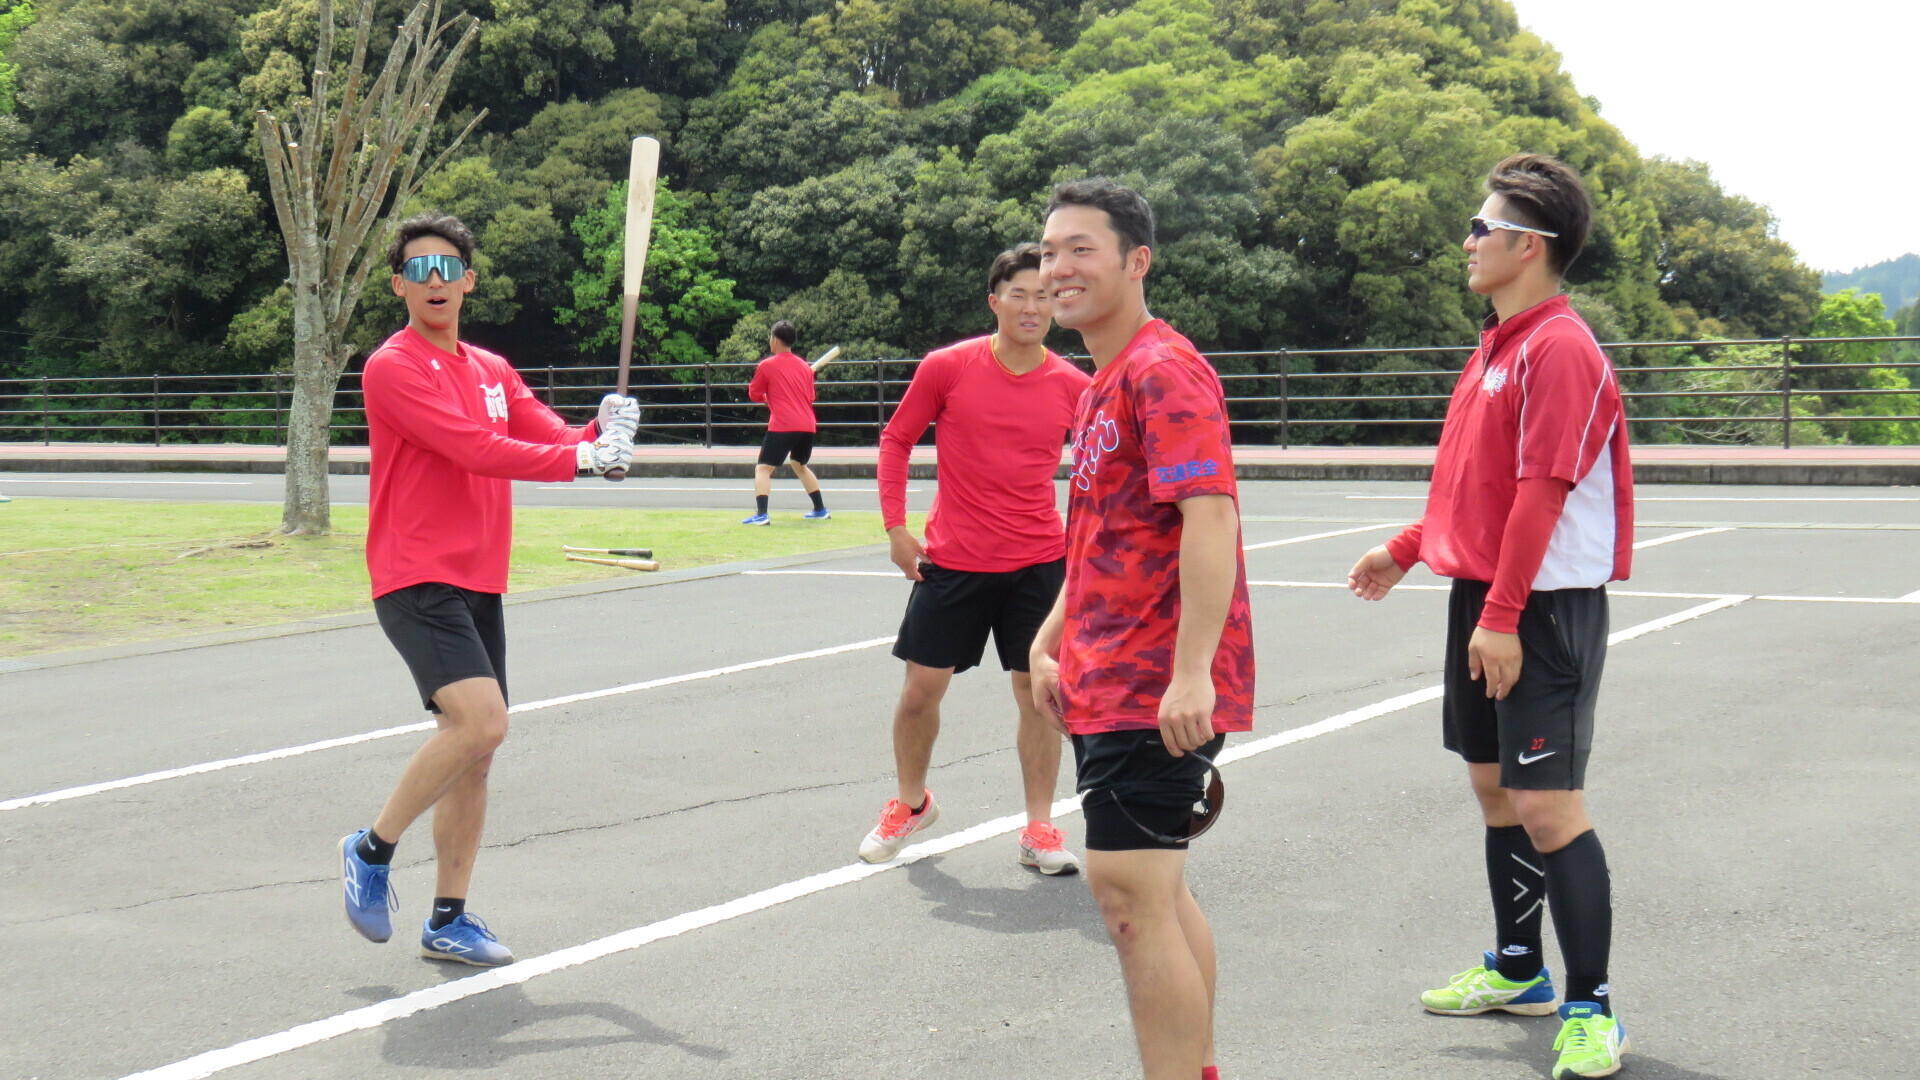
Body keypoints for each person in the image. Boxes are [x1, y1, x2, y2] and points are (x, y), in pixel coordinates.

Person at [1346, 153, 1634, 1079]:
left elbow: (1542, 494)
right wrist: (1408, 545)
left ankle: (1591, 1006)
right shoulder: (1495, 346)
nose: (1467, 241)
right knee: (1494, 790)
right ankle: (1521, 968)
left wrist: (1503, 614)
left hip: (1539, 608)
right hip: (1486, 598)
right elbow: (1472, 485)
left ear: (1528, 243)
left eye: (1481, 227)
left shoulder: (1560, 348)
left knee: (1548, 806)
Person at [338, 212, 638, 967]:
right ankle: (371, 851)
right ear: (400, 284)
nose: (434, 283)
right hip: (415, 571)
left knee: (475, 753)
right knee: (482, 724)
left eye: (449, 270)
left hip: (477, 577)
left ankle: (448, 918)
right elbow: (472, 449)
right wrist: (579, 460)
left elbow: (545, 433)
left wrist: (599, 435)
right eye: (419, 271)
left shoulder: (491, 369)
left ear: (469, 280)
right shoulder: (393, 366)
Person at [1029, 178, 1254, 1080]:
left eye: (1081, 249)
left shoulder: (1163, 369)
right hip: (1107, 674)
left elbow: (1211, 515)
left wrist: (1192, 672)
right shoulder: (1101, 382)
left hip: (1154, 684)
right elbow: (1099, 537)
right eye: (1049, 252)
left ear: (1136, 261)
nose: (1058, 268)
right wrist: (1051, 639)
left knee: (1129, 901)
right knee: (1152, 892)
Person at [857, 243, 1091, 874]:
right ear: (995, 301)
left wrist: (1093, 547)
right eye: (1020, 294)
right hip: (953, 561)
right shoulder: (948, 367)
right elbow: (896, 439)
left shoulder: (1076, 386)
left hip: (1039, 562)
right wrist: (895, 529)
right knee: (918, 694)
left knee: (1039, 693)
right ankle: (911, 803)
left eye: (1044, 295)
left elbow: (1106, 471)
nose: (1033, 306)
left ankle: (1040, 827)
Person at [744, 320, 828, 524]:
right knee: (799, 464)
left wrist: (768, 397)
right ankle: (820, 509)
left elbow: (754, 394)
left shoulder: (766, 365)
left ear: (774, 340)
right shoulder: (804, 366)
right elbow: (810, 396)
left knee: (763, 468)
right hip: (807, 424)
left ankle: (762, 515)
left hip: (783, 424)